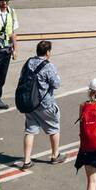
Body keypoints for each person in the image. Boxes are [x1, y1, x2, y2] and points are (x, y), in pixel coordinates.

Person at [19, 40, 62, 168]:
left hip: (30, 104)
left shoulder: (28, 62)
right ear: (48, 52)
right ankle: (55, 155)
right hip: (44, 104)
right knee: (54, 128)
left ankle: (26, 160)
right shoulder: (48, 66)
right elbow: (56, 84)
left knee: (30, 130)